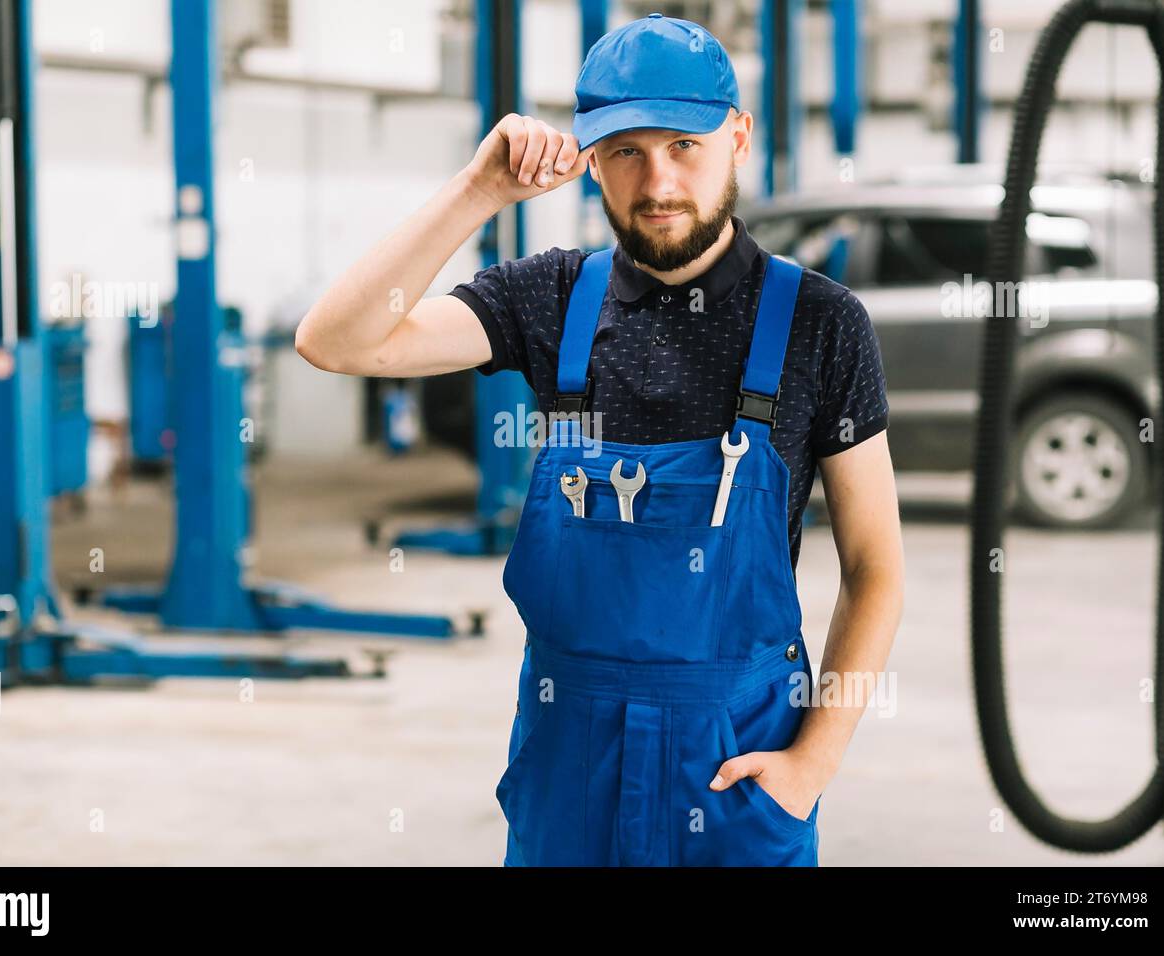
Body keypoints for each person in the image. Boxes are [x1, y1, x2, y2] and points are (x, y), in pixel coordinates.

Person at [296, 13, 904, 866]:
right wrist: (477, 192)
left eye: (683, 146)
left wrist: (815, 762)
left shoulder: (820, 323)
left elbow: (876, 568)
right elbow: (338, 340)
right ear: (589, 160)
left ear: (738, 136)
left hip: (736, 763)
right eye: (626, 151)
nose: (657, 181)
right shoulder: (550, 300)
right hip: (570, 764)